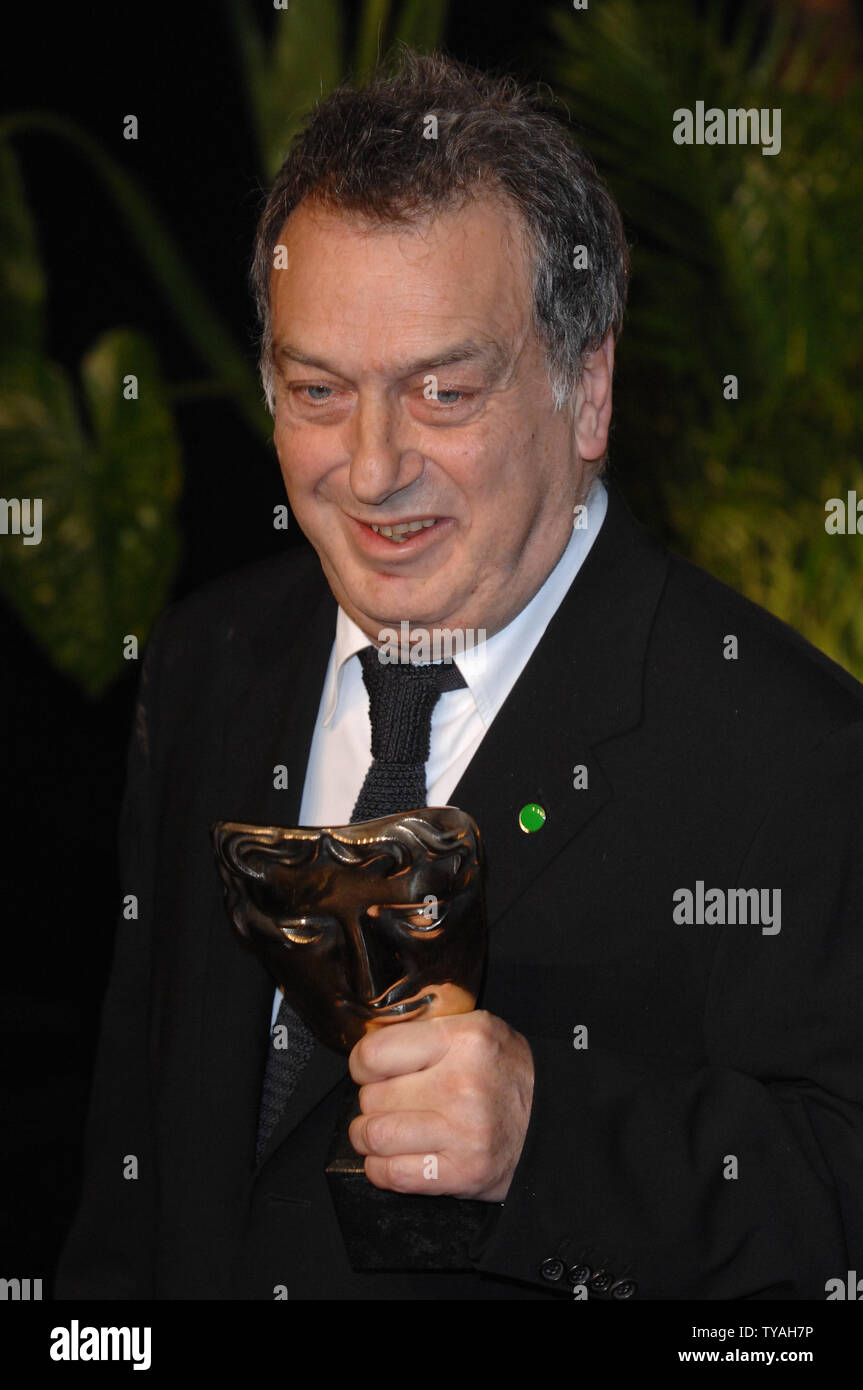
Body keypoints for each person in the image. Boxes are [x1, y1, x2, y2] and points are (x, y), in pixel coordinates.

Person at [56, 49, 863, 1301]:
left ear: (583, 388)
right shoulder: (208, 665)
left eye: (442, 391)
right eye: (318, 391)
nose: (372, 470)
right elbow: (136, 1171)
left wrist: (553, 1139)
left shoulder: (790, 754)